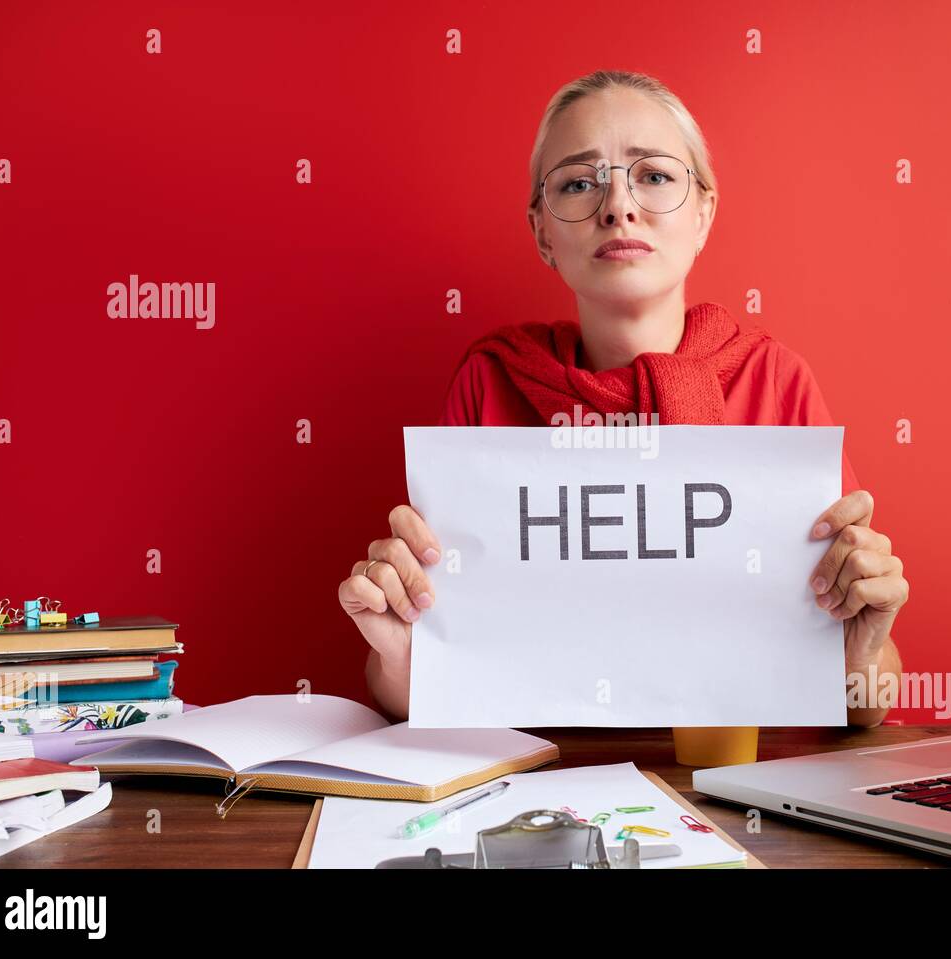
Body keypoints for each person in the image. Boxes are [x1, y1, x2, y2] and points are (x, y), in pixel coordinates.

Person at [339, 69, 908, 729]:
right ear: (543, 232)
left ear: (703, 214)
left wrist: (861, 644)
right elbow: (418, 696)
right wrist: (401, 648)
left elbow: (864, 707)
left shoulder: (775, 379)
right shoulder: (488, 383)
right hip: (533, 787)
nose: (618, 206)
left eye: (655, 176)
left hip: (738, 786)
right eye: (580, 183)